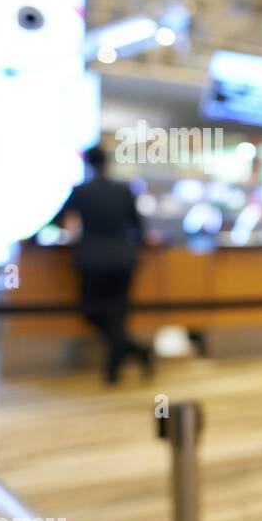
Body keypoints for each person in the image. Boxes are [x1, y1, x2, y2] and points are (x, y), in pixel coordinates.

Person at [55, 146, 152, 383]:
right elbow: (139, 228)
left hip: (92, 260)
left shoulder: (81, 191)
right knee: (117, 315)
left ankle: (115, 370)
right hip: (123, 258)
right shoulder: (124, 190)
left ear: (87, 164)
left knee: (92, 311)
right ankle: (133, 353)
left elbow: (56, 220)